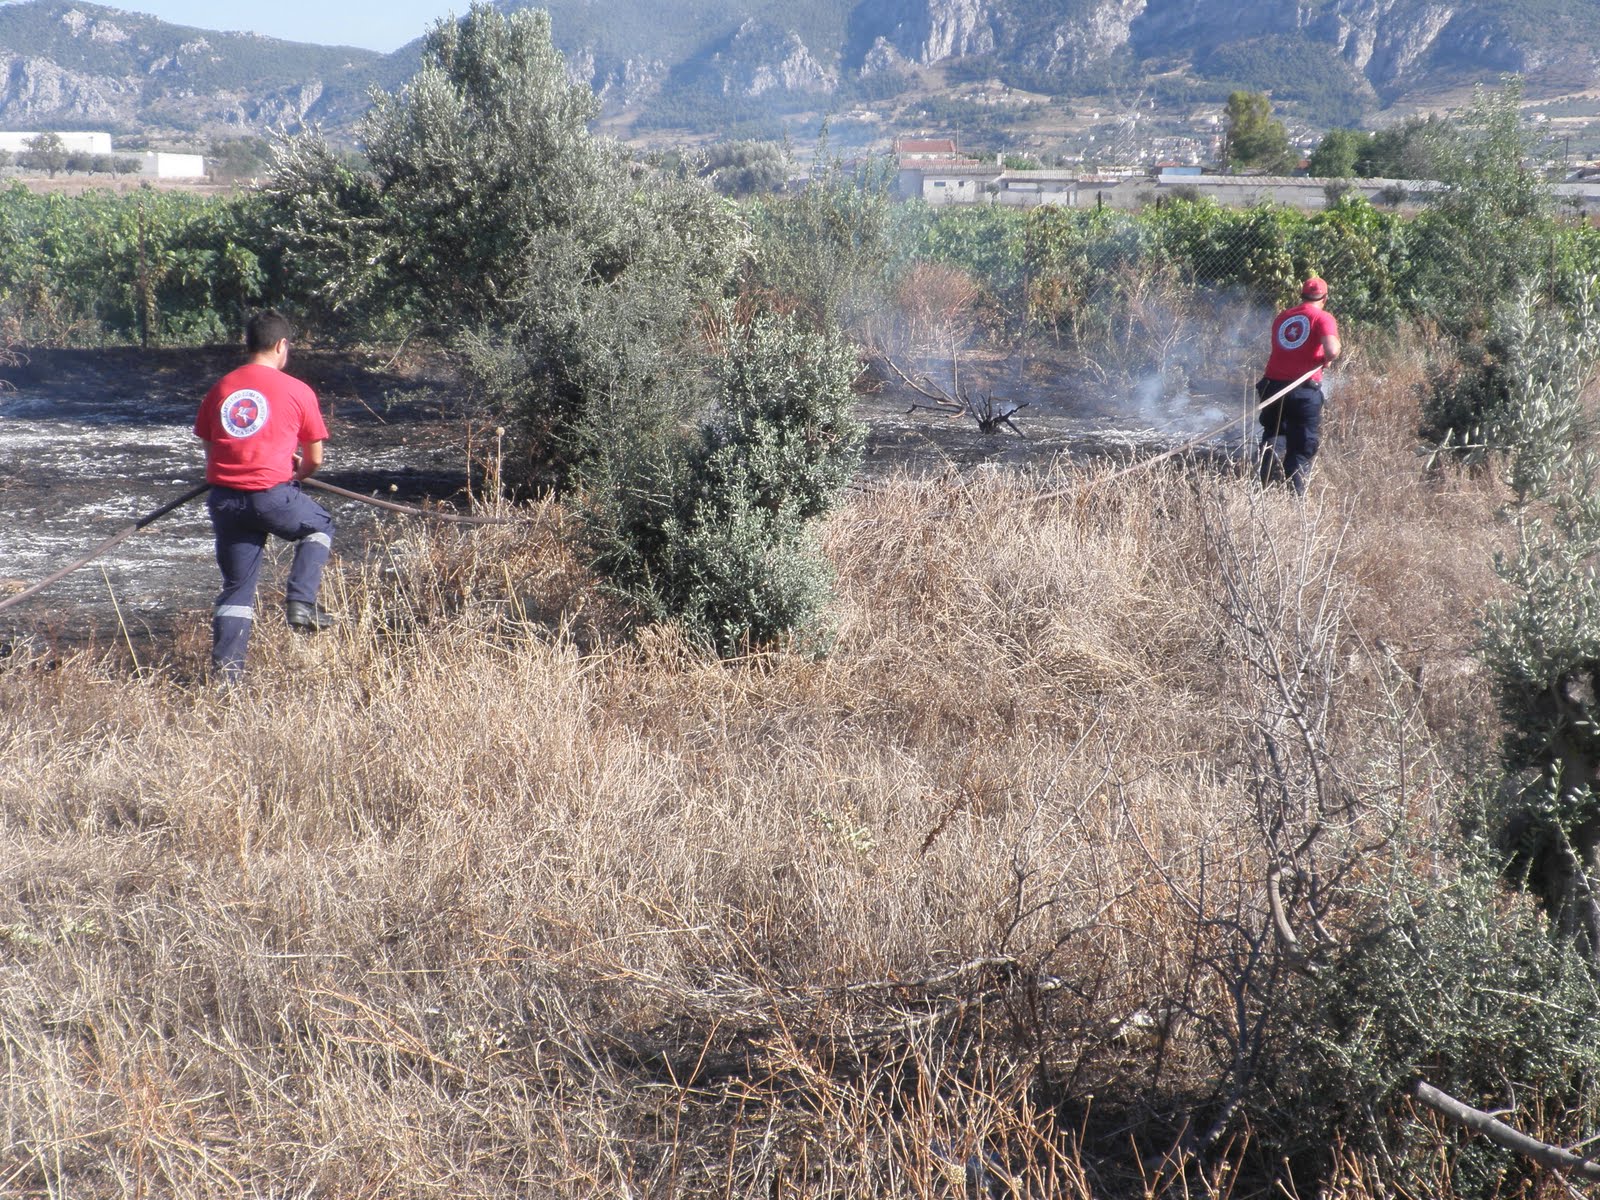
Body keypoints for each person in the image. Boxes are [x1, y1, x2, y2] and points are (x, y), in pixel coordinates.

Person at [194, 309, 336, 681]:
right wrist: (296, 474)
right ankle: (301, 603)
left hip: (225, 499)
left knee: (237, 589)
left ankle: (226, 681)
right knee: (320, 527)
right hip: (271, 495)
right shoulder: (297, 390)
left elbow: (211, 449)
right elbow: (314, 459)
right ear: (281, 346)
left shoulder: (221, 388)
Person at [1257, 276, 1341, 493]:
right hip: (1302, 390)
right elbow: (1331, 350)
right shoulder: (1323, 317)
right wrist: (1328, 359)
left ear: (1301, 295)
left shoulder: (1283, 317)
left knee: (1274, 434)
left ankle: (1264, 486)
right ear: (1325, 298)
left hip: (1272, 387)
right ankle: (1296, 496)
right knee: (1302, 446)